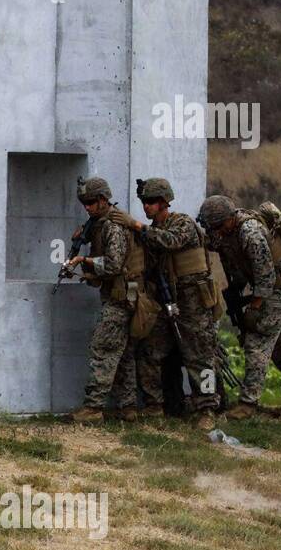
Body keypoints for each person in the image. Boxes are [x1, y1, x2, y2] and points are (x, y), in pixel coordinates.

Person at [198, 194, 281, 420]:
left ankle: (248, 404)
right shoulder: (225, 230)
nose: (214, 232)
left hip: (276, 289)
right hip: (271, 287)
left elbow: (266, 278)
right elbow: (210, 242)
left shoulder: (251, 234)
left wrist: (254, 309)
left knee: (257, 342)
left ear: (229, 220)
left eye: (217, 226)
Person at [127, 178, 220, 431]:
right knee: (149, 351)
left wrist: (136, 226)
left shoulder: (182, 223)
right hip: (166, 301)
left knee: (200, 357)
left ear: (164, 202)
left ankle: (207, 408)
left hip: (193, 303)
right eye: (144, 202)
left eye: (151, 202)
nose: (146, 207)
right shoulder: (151, 231)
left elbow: (171, 241)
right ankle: (154, 406)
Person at [66, 177, 142, 423]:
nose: (87, 207)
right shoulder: (100, 223)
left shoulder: (113, 225)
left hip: (121, 297)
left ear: (103, 200)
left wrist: (84, 261)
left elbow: (112, 264)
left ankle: (93, 408)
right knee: (124, 352)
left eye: (91, 202)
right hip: (120, 294)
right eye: (84, 203)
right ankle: (128, 408)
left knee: (103, 348)